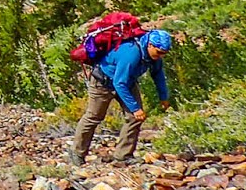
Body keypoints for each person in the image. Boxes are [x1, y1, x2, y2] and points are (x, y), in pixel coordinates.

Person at [69, 28, 173, 165]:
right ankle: (77, 153)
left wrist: (163, 97)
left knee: (134, 119)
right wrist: (135, 108)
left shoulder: (154, 57)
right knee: (94, 116)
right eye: (159, 52)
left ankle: (123, 155)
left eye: (164, 53)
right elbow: (119, 83)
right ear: (150, 45)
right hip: (102, 83)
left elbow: (158, 75)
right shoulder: (131, 53)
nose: (161, 56)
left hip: (127, 82)